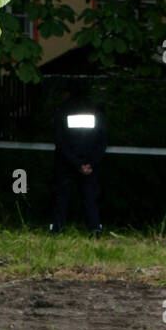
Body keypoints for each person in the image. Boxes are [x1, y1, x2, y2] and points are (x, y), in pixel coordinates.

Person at [49, 92, 107, 238]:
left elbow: (60, 141)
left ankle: (57, 230)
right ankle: (95, 231)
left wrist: (76, 163)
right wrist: (91, 163)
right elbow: (102, 141)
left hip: (66, 163)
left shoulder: (63, 112)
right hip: (89, 164)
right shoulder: (96, 113)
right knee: (90, 199)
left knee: (61, 198)